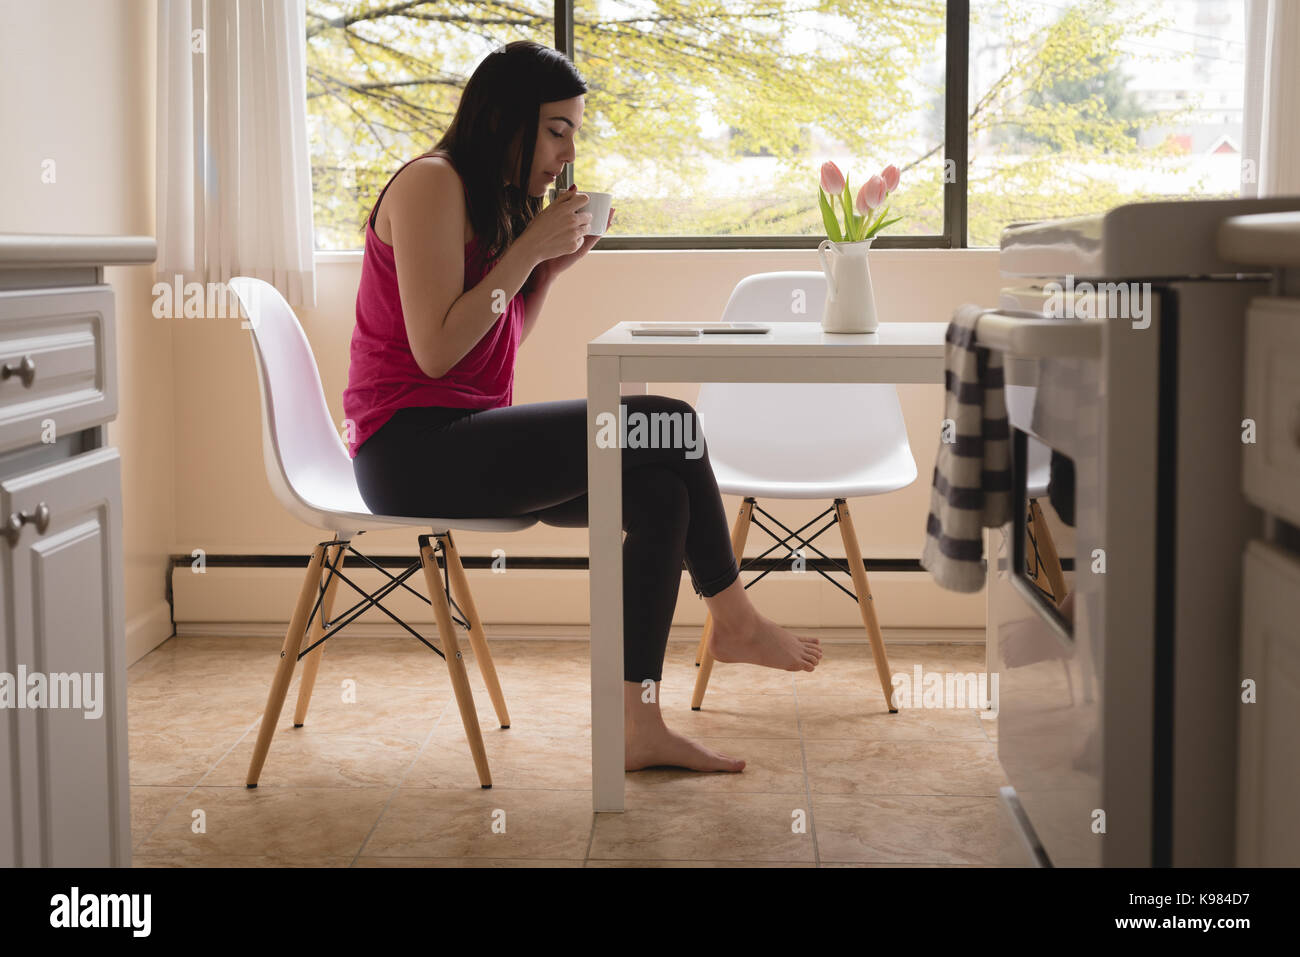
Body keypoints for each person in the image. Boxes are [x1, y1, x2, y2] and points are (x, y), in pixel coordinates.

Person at [344, 40, 821, 774]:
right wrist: (527, 251)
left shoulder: (492, 201)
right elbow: (436, 351)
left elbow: (492, 337)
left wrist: (546, 271)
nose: (566, 153)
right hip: (410, 451)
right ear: (506, 120)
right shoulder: (430, 185)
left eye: (574, 134)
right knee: (670, 422)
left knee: (662, 490)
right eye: (556, 129)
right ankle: (733, 614)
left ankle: (638, 723)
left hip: (465, 441)